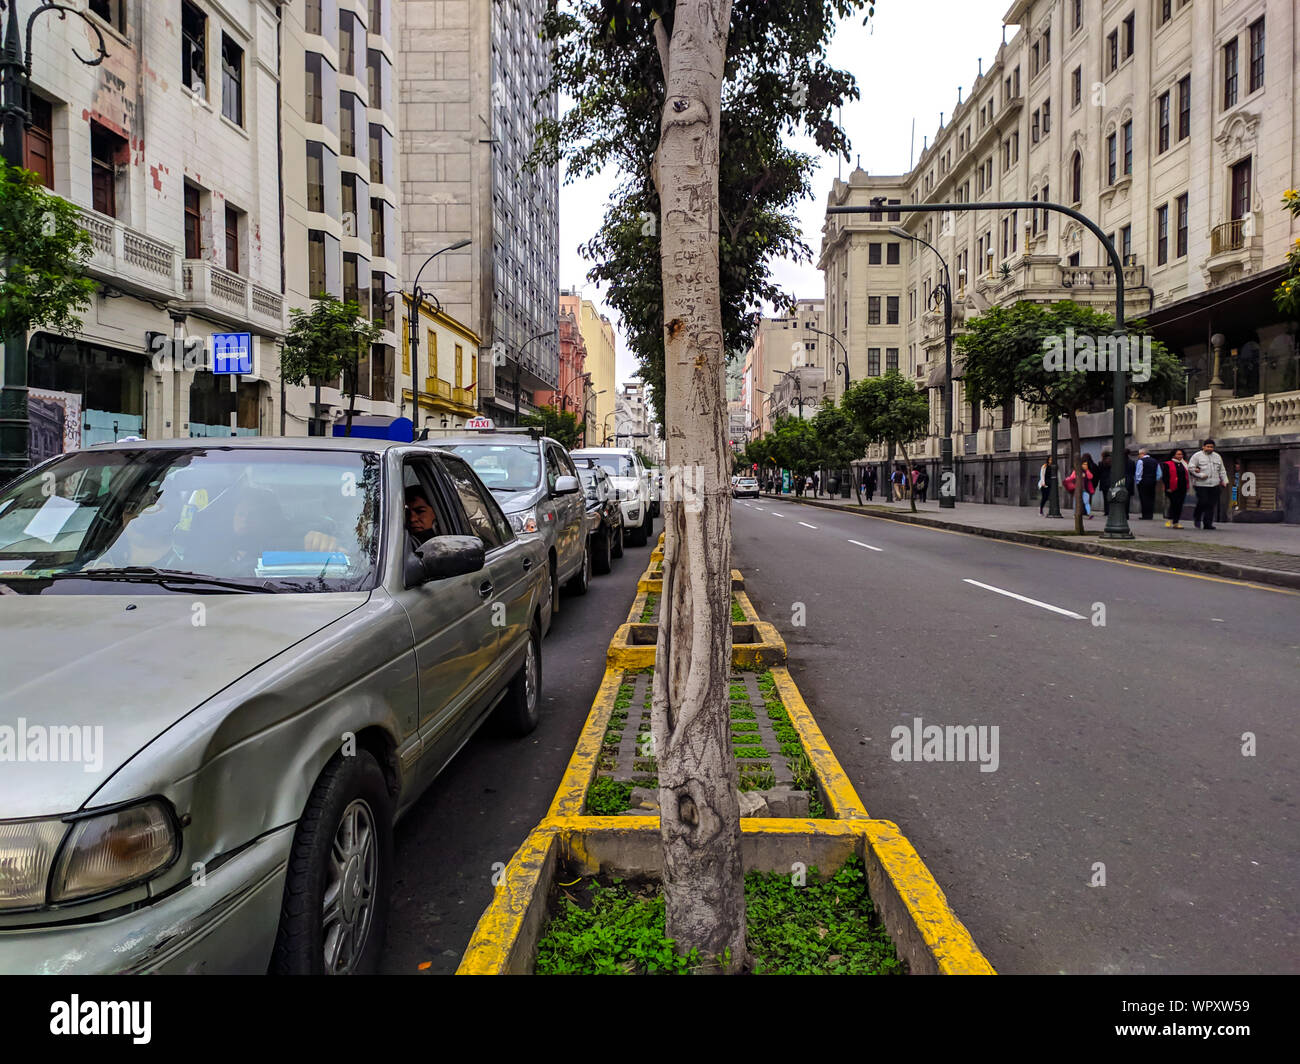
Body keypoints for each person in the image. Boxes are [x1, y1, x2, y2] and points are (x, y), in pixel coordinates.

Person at [1188, 438, 1228, 530]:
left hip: (1214, 484)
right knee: (1203, 501)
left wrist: (1225, 481)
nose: (1210, 448)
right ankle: (1197, 516)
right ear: (1203, 447)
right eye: (1208, 447)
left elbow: (1222, 470)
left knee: (1211, 504)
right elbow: (1191, 468)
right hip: (1201, 484)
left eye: (1211, 447)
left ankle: (1208, 523)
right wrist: (1200, 475)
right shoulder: (1197, 456)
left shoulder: (1217, 456)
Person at [1162, 448, 1190, 528]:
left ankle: (1176, 522)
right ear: (1174, 455)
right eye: (1178, 454)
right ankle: (1170, 519)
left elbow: (1190, 472)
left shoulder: (1185, 464)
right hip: (1172, 487)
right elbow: (1165, 477)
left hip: (1182, 487)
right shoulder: (1168, 464)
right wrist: (1167, 487)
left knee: (1179, 504)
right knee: (1174, 503)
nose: (1180, 456)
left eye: (1181, 454)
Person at [1134, 446, 1159, 520]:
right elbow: (1159, 473)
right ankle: (1150, 515)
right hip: (1152, 481)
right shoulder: (1155, 461)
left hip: (1143, 482)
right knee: (1151, 498)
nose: (1138, 455)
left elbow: (1138, 473)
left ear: (1142, 453)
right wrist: (1155, 479)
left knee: (1144, 498)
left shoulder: (1141, 461)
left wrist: (1138, 482)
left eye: (1139, 454)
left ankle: (1145, 515)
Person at [1097, 452, 1113, 516]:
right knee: (1111, 497)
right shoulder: (1112, 463)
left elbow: (1099, 472)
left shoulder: (1101, 463)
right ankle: (1111, 511)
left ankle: (1106, 511)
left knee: (1105, 497)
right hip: (1111, 481)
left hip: (1103, 482)